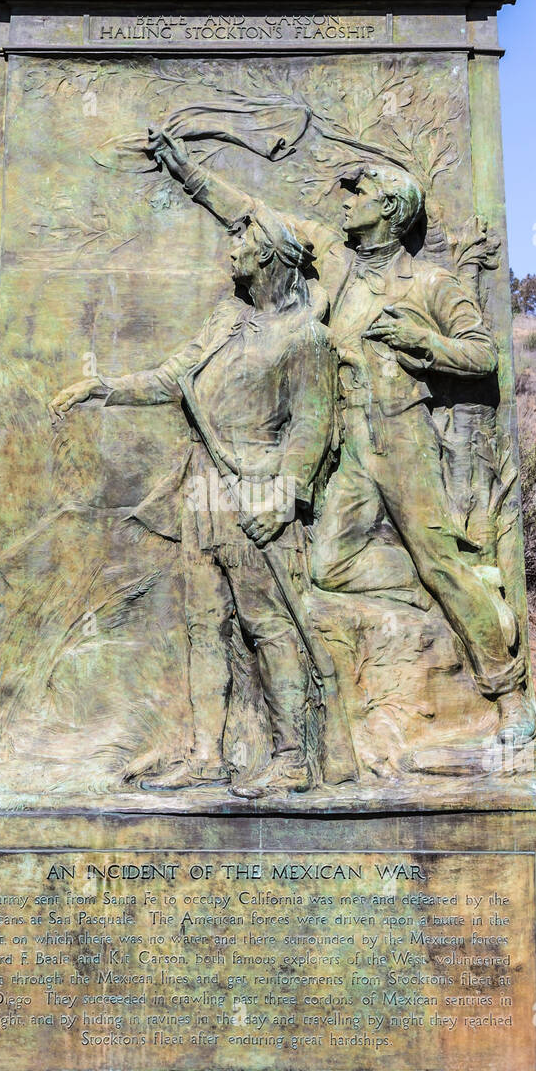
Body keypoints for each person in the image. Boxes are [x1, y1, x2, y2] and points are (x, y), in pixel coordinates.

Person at [146, 129, 536, 745]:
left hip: (401, 435)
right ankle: (456, 582)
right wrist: (188, 173)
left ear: (390, 209)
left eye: (361, 192)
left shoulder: (429, 285)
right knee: (330, 565)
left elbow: (484, 355)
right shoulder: (335, 259)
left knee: (438, 561)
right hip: (346, 442)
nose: (346, 198)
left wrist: (425, 345)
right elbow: (254, 214)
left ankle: (509, 694)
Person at [48, 204, 337, 796]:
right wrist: (105, 389)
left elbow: (312, 427)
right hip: (202, 495)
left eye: (244, 239)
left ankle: (293, 757)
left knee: (268, 625)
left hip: (256, 493)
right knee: (205, 624)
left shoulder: (305, 337)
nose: (232, 248)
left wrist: (282, 502)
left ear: (270, 257)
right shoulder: (226, 320)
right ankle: (207, 754)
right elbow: (172, 376)